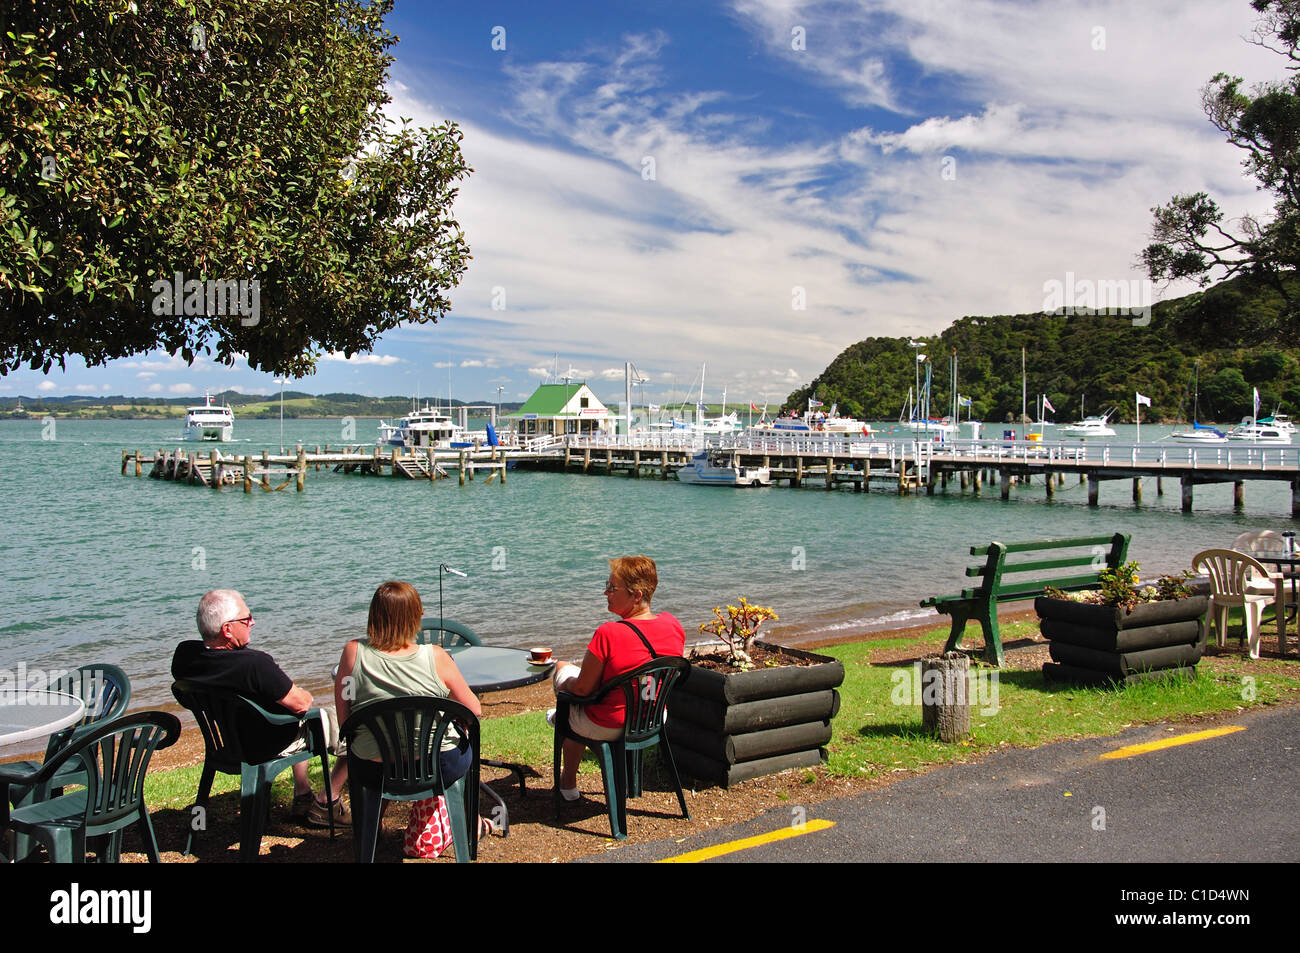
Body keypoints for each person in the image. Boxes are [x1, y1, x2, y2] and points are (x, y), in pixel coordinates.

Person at [172, 589, 350, 827]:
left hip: (227, 742)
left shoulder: (184, 656)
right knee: (355, 725)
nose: (252, 622)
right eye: (247, 619)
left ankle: (302, 792)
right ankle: (328, 801)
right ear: (227, 629)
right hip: (266, 744)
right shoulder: (254, 664)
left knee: (288, 709)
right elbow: (302, 703)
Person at [334, 581, 488, 848]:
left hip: (373, 768)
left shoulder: (352, 653)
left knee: (378, 746)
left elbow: (345, 720)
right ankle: (469, 823)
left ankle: (371, 831)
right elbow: (474, 710)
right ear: (413, 617)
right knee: (459, 737)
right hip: (439, 765)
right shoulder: (436, 656)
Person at [551, 555, 685, 802]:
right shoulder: (673, 625)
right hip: (653, 717)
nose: (605, 592)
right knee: (579, 694)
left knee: (567, 687)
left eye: (612, 588)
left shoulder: (608, 633)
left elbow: (582, 689)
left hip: (610, 723)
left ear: (636, 596)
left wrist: (563, 682)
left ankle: (568, 784)